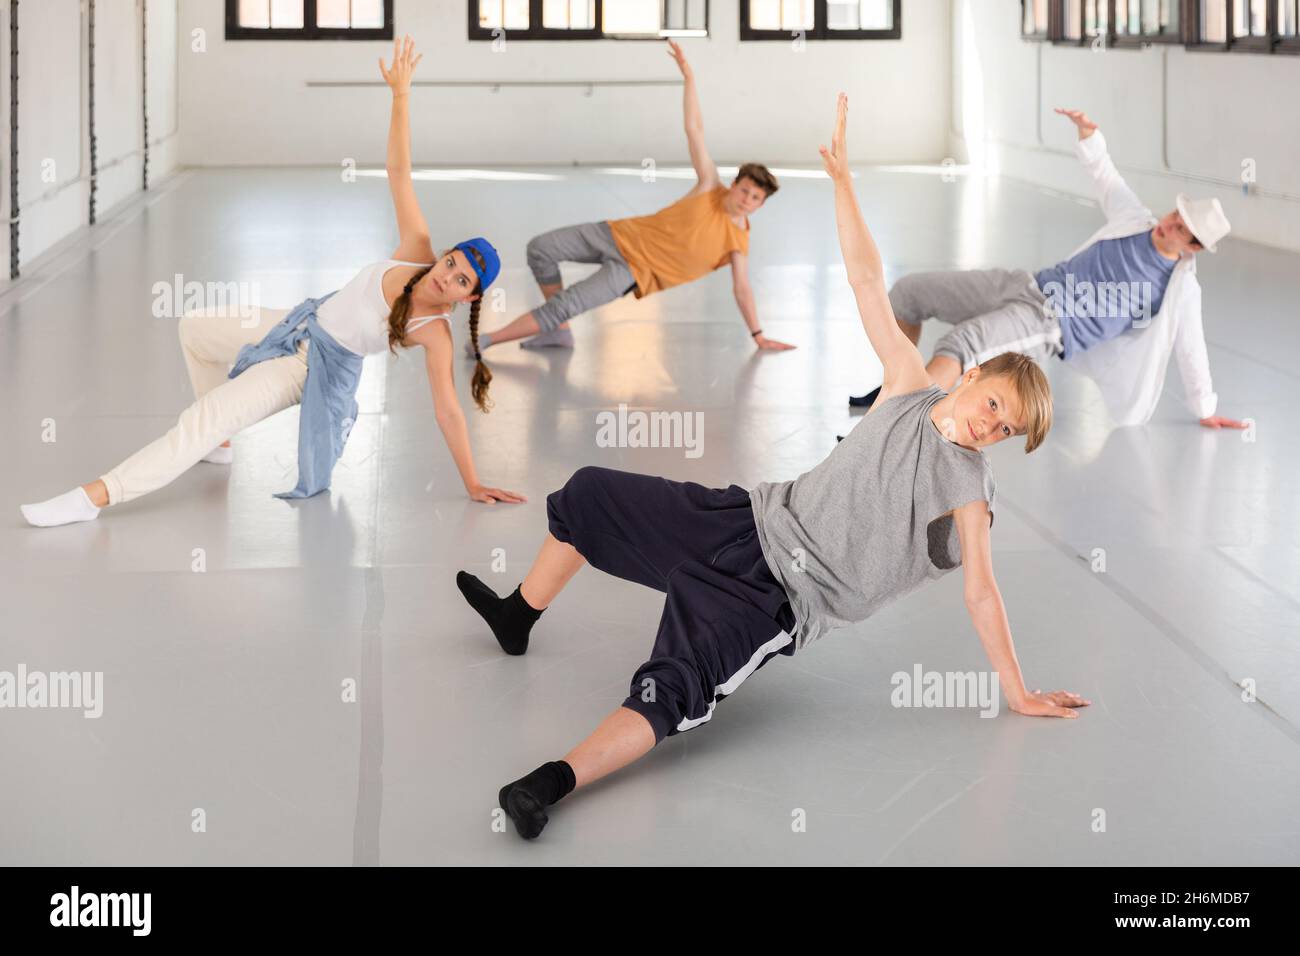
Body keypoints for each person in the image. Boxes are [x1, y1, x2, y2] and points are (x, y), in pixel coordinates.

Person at [457, 95, 1087, 841]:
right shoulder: (911, 385)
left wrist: (1015, 691)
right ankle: (517, 615)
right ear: (976, 377)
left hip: (774, 596)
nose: (991, 427)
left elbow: (981, 592)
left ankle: (548, 785)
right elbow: (863, 280)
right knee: (587, 496)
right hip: (742, 517)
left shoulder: (969, 493)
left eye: (1006, 430)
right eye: (994, 406)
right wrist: (845, 182)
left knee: (672, 691)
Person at [20, 36, 524, 528]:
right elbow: (399, 171)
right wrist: (400, 95)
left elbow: (448, 413)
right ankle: (218, 447)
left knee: (206, 415)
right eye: (451, 262)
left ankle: (95, 496)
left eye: (460, 280)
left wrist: (474, 483)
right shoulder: (417, 254)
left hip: (311, 369)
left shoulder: (434, 330)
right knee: (195, 329)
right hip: (296, 322)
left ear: (470, 296)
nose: (447, 276)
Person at [848, 107, 1245, 431]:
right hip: (1025, 284)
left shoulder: (1177, 289)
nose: (1169, 222)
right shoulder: (1136, 219)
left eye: (1180, 227)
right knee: (909, 293)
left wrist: (1204, 406)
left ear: (1193, 247)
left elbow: (1192, 350)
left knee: (962, 344)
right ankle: (894, 389)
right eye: (1175, 213)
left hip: (1050, 323)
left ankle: (891, 429)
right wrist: (1090, 135)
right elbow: (1106, 177)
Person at [472, 39, 795, 354]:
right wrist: (689, 77)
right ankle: (557, 332)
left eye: (755, 198)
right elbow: (694, 129)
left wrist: (759, 335)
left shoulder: (737, 242)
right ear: (735, 183)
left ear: (761, 204)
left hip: (631, 272)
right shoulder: (710, 184)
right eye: (745, 190)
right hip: (615, 233)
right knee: (540, 248)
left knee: (566, 304)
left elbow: (742, 289)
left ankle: (486, 341)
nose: (747, 200)